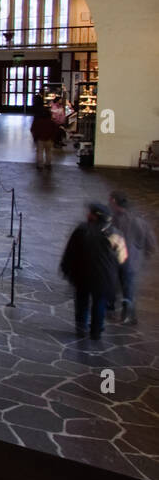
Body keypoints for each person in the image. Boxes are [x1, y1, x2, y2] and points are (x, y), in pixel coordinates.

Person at [60, 203, 125, 339]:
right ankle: (96, 332)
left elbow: (70, 252)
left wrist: (66, 268)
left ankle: (81, 328)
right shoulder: (114, 233)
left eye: (90, 213)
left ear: (95, 216)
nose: (87, 214)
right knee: (99, 303)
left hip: (82, 275)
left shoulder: (82, 230)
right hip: (104, 277)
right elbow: (122, 257)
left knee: (82, 302)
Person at [108, 190, 156, 325]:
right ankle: (129, 315)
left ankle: (112, 309)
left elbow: (110, 241)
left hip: (118, 260)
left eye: (111, 201)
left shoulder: (114, 220)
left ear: (114, 202)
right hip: (133, 263)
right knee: (129, 289)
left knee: (114, 285)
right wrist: (143, 258)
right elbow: (151, 244)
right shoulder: (140, 221)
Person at [30, 102, 58, 170]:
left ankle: (40, 165)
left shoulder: (37, 121)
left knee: (39, 152)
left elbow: (33, 129)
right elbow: (55, 130)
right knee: (49, 152)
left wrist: (35, 136)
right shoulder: (51, 122)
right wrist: (52, 137)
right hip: (49, 139)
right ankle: (48, 163)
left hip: (40, 138)